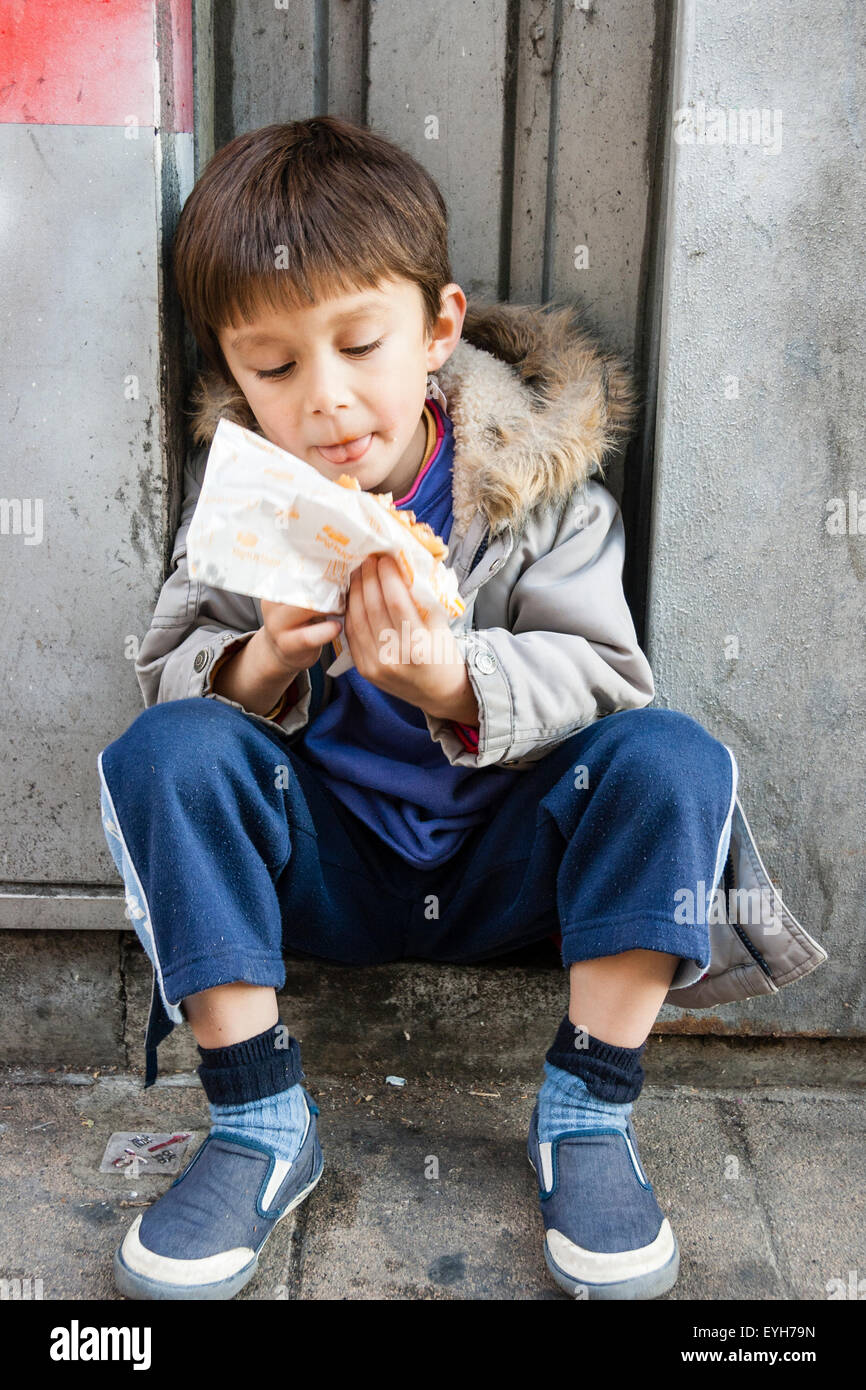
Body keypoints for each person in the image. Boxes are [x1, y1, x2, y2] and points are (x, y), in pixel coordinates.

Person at [97, 115, 745, 1302]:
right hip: (327, 867)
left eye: (359, 345)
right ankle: (256, 1122)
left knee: (669, 758)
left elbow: (605, 675)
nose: (328, 403)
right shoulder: (248, 503)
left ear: (438, 328)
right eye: (275, 367)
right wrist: (261, 661)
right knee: (170, 749)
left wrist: (448, 681)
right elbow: (167, 668)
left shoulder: (534, 487)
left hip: (510, 875)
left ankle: (587, 1112)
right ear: (233, 375)